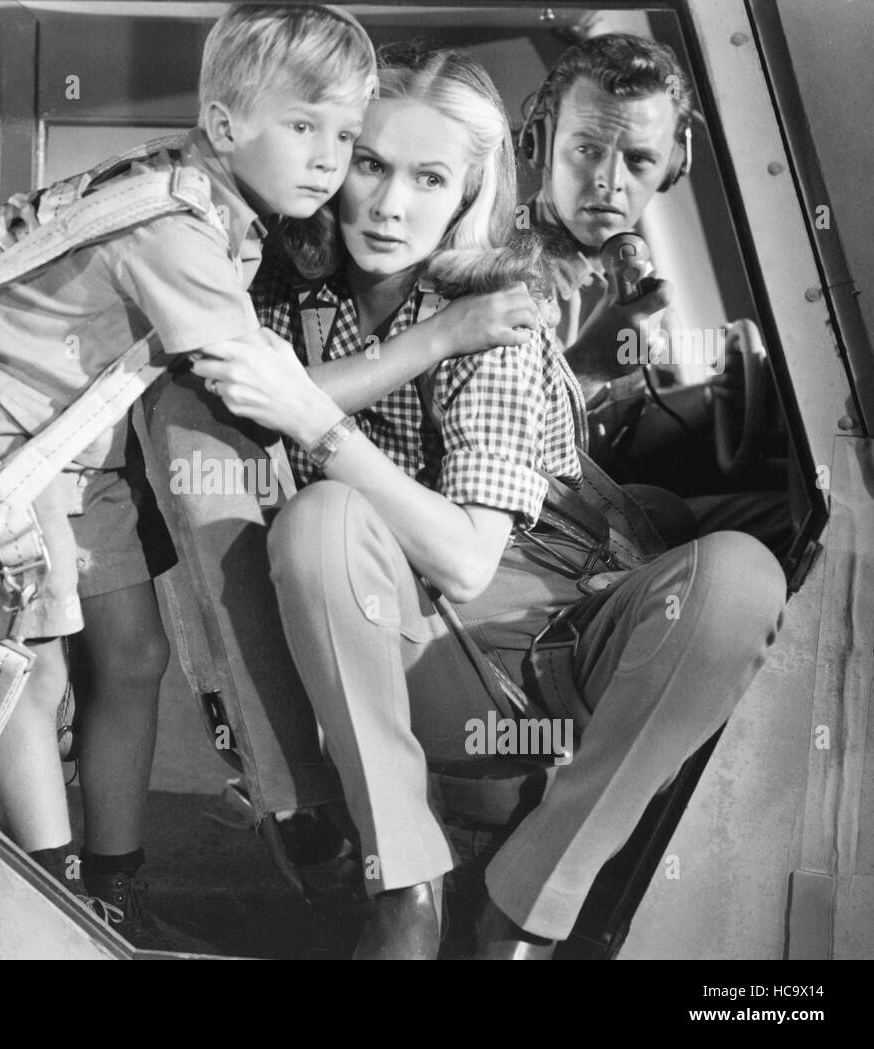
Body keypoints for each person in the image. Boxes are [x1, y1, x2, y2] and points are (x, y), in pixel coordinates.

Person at [199, 46, 787, 959]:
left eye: (429, 177)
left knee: (744, 577)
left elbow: (471, 561)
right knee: (320, 523)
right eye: (369, 165)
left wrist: (319, 424)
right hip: (377, 646)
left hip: (531, 652)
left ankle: (527, 908)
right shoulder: (272, 288)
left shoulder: (497, 318)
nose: (391, 206)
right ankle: (406, 887)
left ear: (470, 190)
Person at [0, 2, 377, 945]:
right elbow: (267, 389)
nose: (329, 156)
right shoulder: (175, 225)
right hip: (11, 453)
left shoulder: (210, 206)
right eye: (303, 126)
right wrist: (443, 339)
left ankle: (113, 881)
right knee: (35, 664)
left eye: (345, 133)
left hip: (77, 458)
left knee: (133, 658)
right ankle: (52, 901)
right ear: (224, 126)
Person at [520, 32, 791, 554]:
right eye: (586, 149)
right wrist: (589, 367)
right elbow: (489, 446)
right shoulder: (504, 269)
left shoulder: (611, 268)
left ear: (672, 167)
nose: (609, 180)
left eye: (640, 160)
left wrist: (713, 398)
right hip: (547, 541)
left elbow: (610, 432)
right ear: (541, 142)